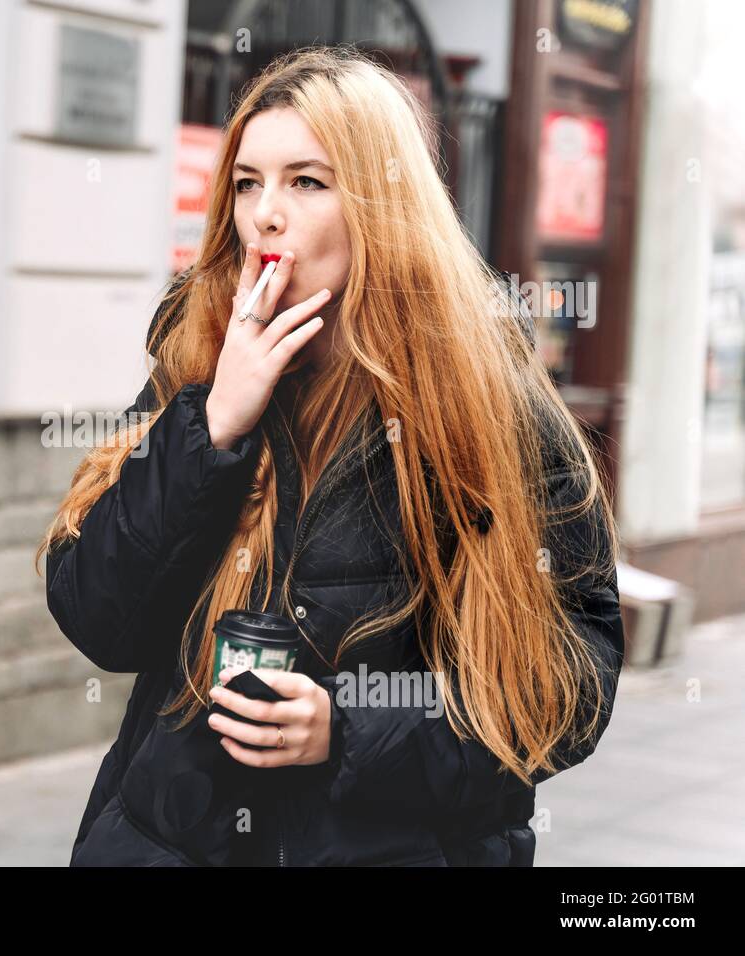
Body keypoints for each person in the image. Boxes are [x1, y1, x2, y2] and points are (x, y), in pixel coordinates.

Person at [33, 46, 624, 866]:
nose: (265, 215)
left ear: (381, 201)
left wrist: (345, 731)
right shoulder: (199, 363)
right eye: (248, 183)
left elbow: (563, 695)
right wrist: (214, 428)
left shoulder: (492, 409)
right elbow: (99, 620)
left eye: (306, 182)